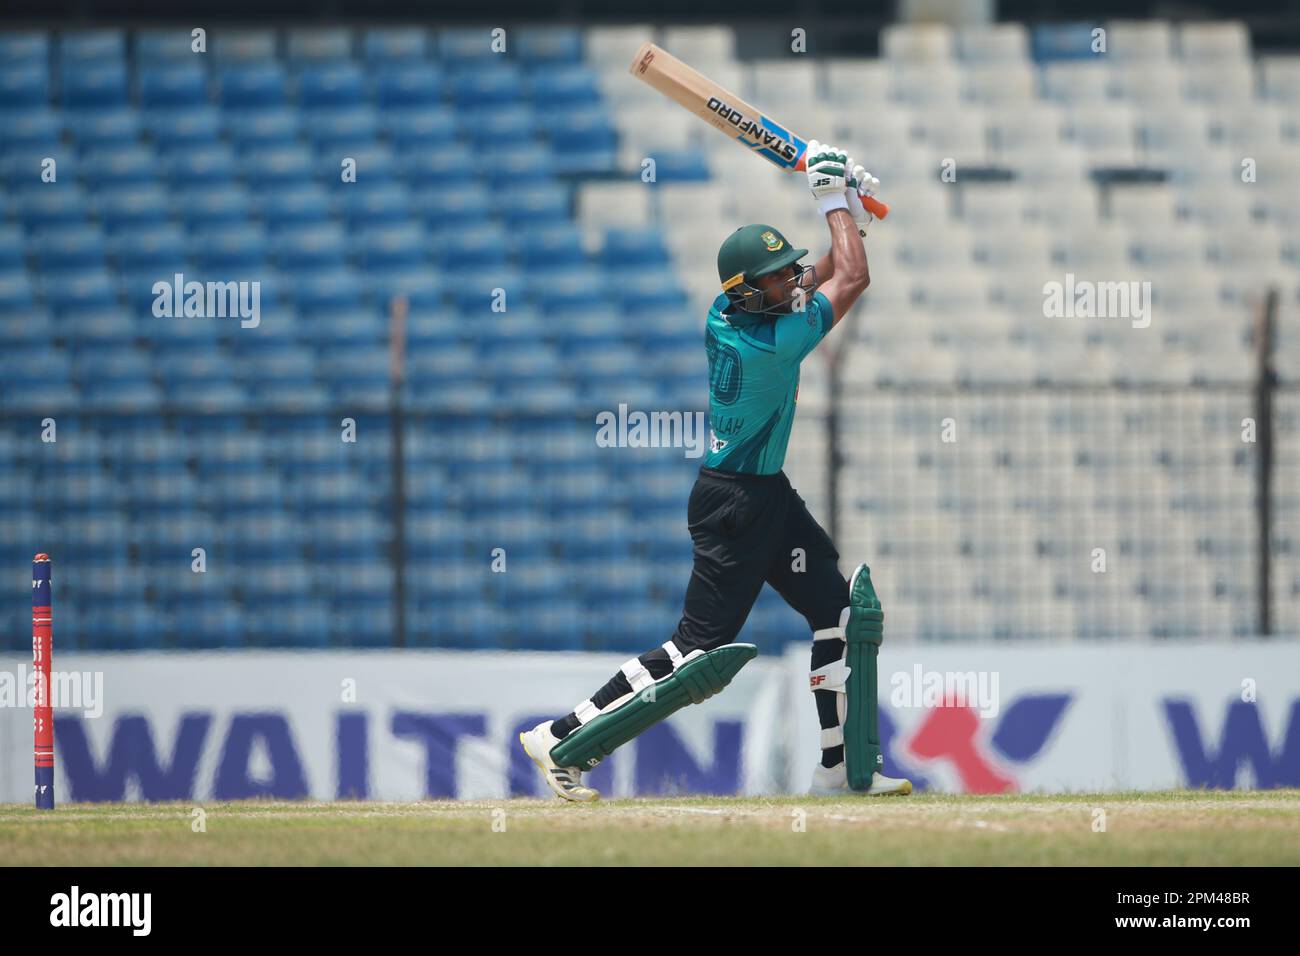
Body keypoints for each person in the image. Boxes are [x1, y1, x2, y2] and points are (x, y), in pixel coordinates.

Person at [521, 142, 911, 801]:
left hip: (763, 496)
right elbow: (851, 280)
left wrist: (849, 218)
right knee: (693, 655)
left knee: (838, 613)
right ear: (751, 292)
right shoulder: (772, 343)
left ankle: (840, 773)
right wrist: (830, 198)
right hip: (734, 507)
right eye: (779, 276)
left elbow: (822, 278)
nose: (791, 281)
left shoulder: (728, 312)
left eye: (789, 274)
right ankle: (560, 738)